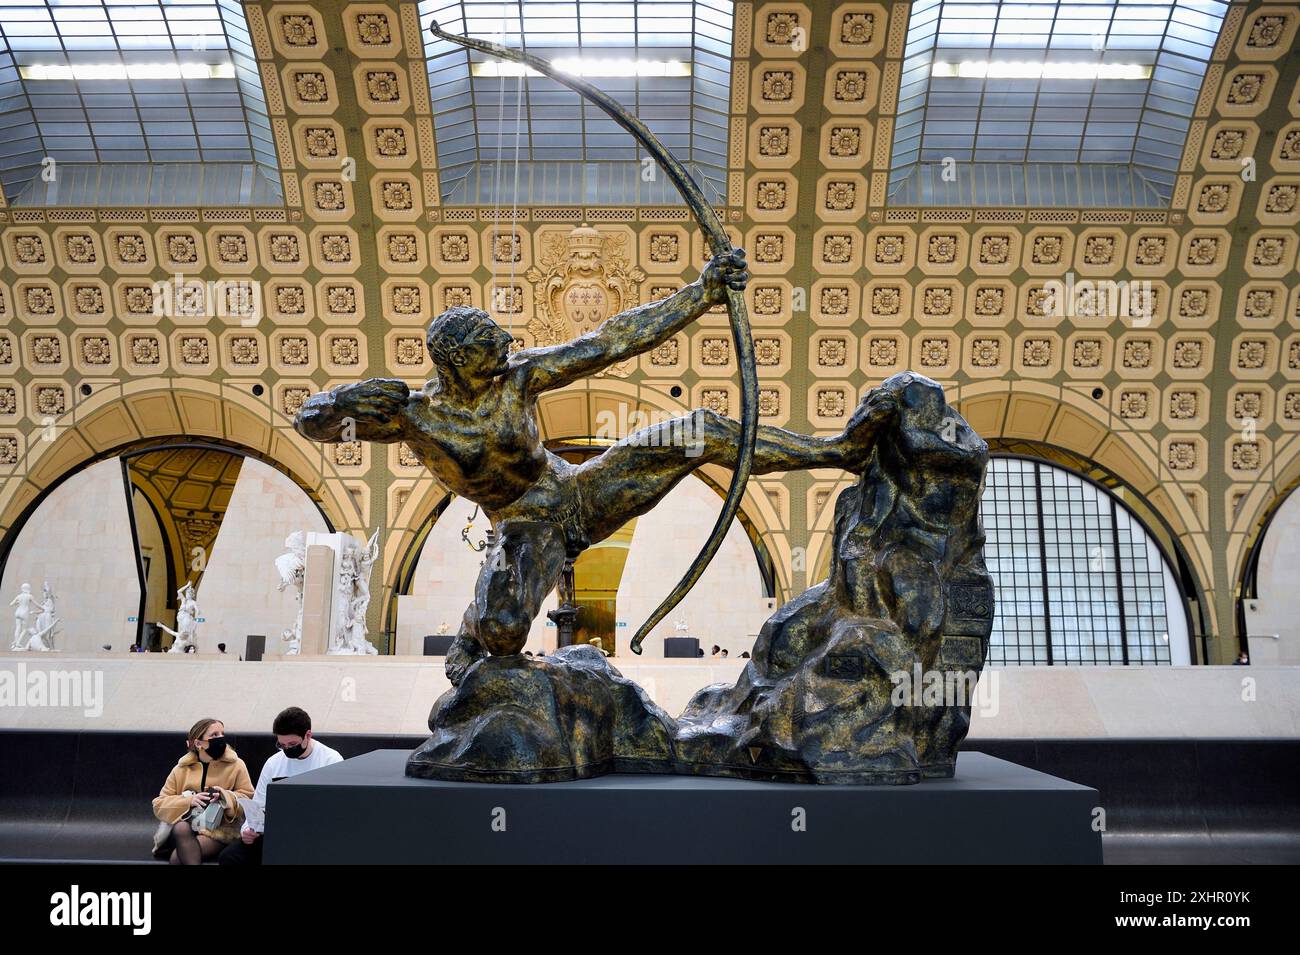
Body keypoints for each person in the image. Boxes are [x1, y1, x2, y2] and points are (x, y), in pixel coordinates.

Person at [294, 248, 894, 683]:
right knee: (502, 633)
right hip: (525, 526)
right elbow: (312, 421)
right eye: (488, 341)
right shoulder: (414, 416)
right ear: (454, 359)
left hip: (579, 494)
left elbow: (612, 340)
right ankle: (472, 641)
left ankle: (834, 451)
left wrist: (703, 293)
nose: (505, 342)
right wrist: (339, 402)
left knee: (699, 431)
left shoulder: (520, 377)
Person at [218, 706, 342, 865]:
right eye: (281, 745)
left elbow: (336, 809)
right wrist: (248, 831)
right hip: (275, 832)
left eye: (292, 744)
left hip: (315, 835)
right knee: (230, 857)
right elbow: (258, 805)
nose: (287, 749)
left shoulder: (330, 760)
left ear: (308, 735)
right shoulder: (273, 763)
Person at [152, 718, 253, 864]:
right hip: (189, 827)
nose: (220, 738)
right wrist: (189, 801)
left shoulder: (236, 764)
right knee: (181, 827)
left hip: (221, 831)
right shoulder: (181, 769)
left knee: (176, 859)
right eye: (214, 735)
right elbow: (159, 804)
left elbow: (248, 798)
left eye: (222, 733)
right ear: (198, 743)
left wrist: (225, 796)